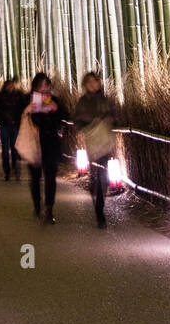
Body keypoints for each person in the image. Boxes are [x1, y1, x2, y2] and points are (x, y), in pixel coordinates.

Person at [73, 70, 118, 228]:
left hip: (106, 142)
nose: (93, 85)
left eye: (95, 82)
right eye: (89, 82)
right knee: (96, 176)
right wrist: (90, 125)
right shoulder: (83, 102)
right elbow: (77, 122)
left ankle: (100, 209)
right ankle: (97, 204)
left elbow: (116, 117)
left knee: (103, 176)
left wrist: (108, 120)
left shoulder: (105, 100)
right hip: (92, 143)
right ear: (85, 85)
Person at [21, 71, 66, 223]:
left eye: (46, 85)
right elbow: (20, 118)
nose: (44, 88)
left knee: (50, 177)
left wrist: (56, 110)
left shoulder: (54, 100)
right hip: (34, 143)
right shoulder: (28, 100)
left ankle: (49, 209)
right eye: (40, 85)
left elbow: (66, 116)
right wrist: (28, 111)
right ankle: (37, 205)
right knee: (34, 178)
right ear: (34, 87)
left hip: (50, 143)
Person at [0, 77, 27, 181]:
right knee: (5, 149)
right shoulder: (1, 96)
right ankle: (7, 171)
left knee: (15, 148)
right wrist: (0, 121)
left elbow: (23, 108)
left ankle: (16, 168)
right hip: (4, 125)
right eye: (8, 85)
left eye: (12, 85)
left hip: (15, 125)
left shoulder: (19, 95)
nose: (10, 87)